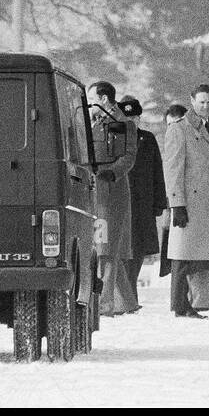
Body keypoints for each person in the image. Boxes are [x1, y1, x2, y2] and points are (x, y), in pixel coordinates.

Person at [164, 84, 209, 317]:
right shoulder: (179, 129)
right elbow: (173, 168)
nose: (206, 106)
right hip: (191, 203)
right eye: (202, 102)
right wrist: (177, 203)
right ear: (192, 101)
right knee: (183, 256)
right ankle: (180, 305)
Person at [88, 83, 139, 316]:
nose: (88, 105)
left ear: (104, 99)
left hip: (110, 194)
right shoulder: (94, 123)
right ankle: (127, 302)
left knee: (105, 250)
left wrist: (110, 173)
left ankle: (104, 304)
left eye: (92, 99)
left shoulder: (119, 124)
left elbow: (127, 157)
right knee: (106, 247)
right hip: (94, 192)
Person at [124, 98, 167, 313]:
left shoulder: (147, 139)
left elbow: (157, 171)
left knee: (139, 248)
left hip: (143, 204)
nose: (130, 121)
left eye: (134, 117)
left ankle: (130, 293)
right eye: (127, 117)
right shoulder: (114, 137)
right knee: (124, 250)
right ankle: (127, 296)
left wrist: (160, 201)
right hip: (121, 203)